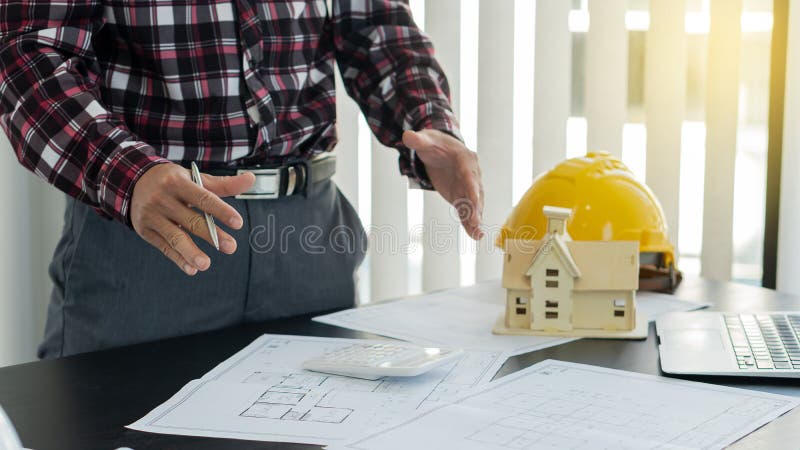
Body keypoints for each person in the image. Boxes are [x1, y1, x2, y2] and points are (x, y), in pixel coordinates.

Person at [0, 0, 484, 358]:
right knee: (105, 425)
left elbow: (374, 24)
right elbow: (27, 52)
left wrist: (428, 121)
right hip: (152, 236)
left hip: (308, 238)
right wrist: (126, 172)